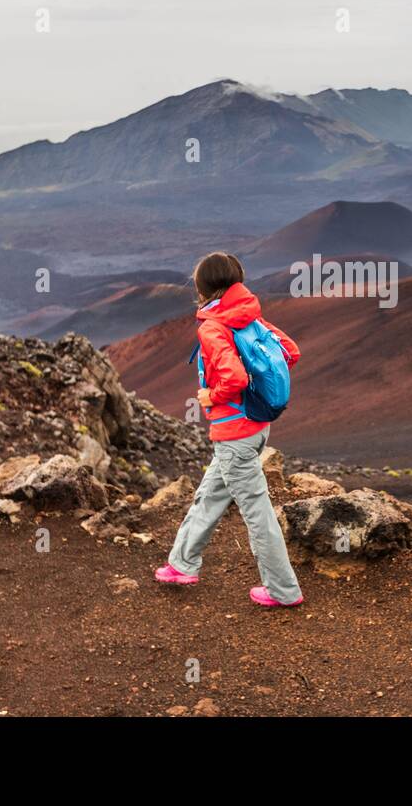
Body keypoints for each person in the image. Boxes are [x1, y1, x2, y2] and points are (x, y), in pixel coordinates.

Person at [153, 252, 305, 608]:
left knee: (257, 512)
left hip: (235, 432)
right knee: (210, 495)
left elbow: (234, 378)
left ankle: (283, 591)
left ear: (202, 287)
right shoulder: (249, 316)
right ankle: (181, 564)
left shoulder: (213, 326)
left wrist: (211, 395)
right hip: (256, 427)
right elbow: (290, 352)